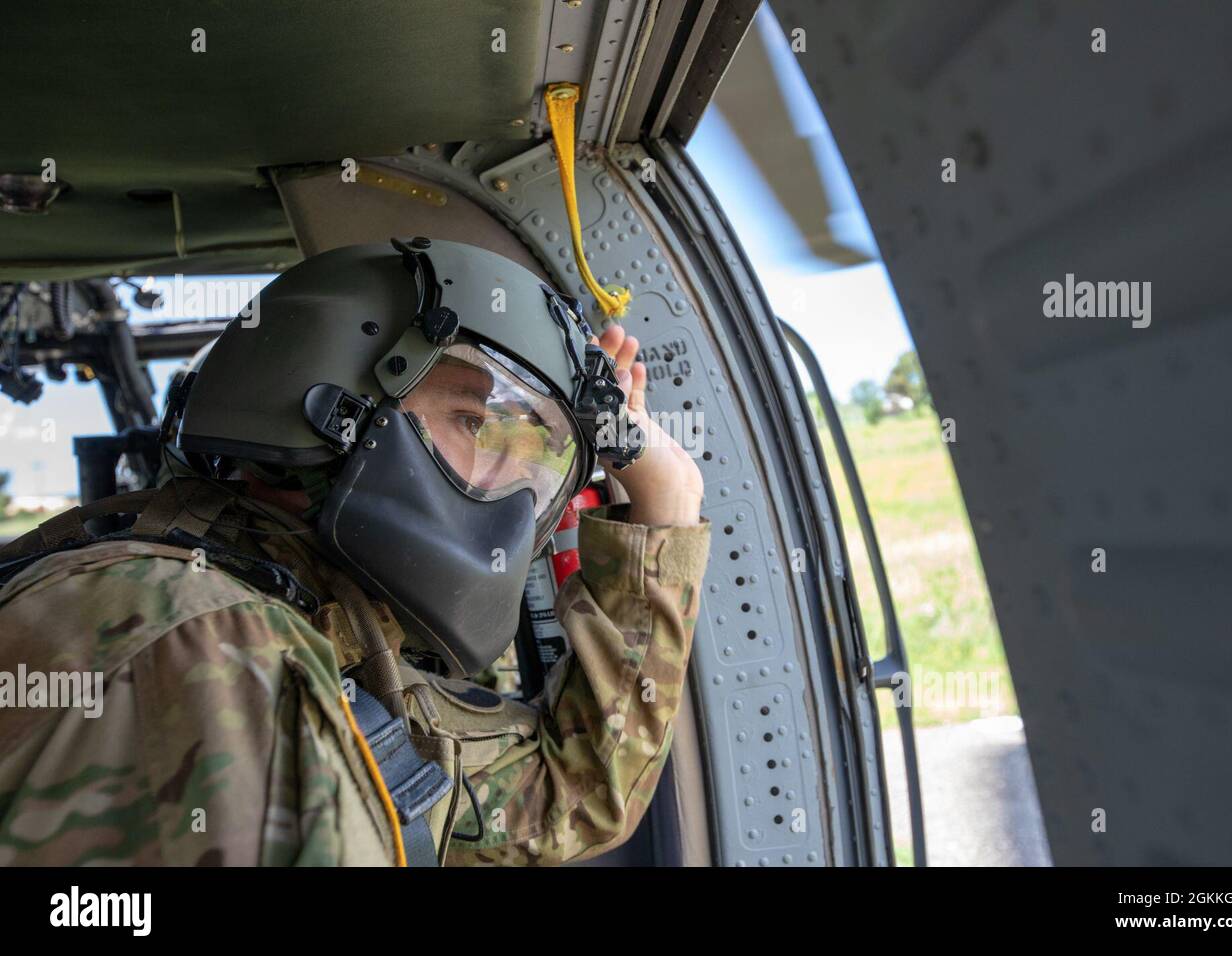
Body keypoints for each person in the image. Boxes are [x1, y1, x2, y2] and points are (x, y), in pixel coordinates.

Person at [0, 238, 709, 866]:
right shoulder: (208, 643)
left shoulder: (318, 637)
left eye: (532, 451)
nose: (519, 480)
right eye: (473, 421)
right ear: (332, 400)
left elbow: (565, 796)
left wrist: (663, 495)